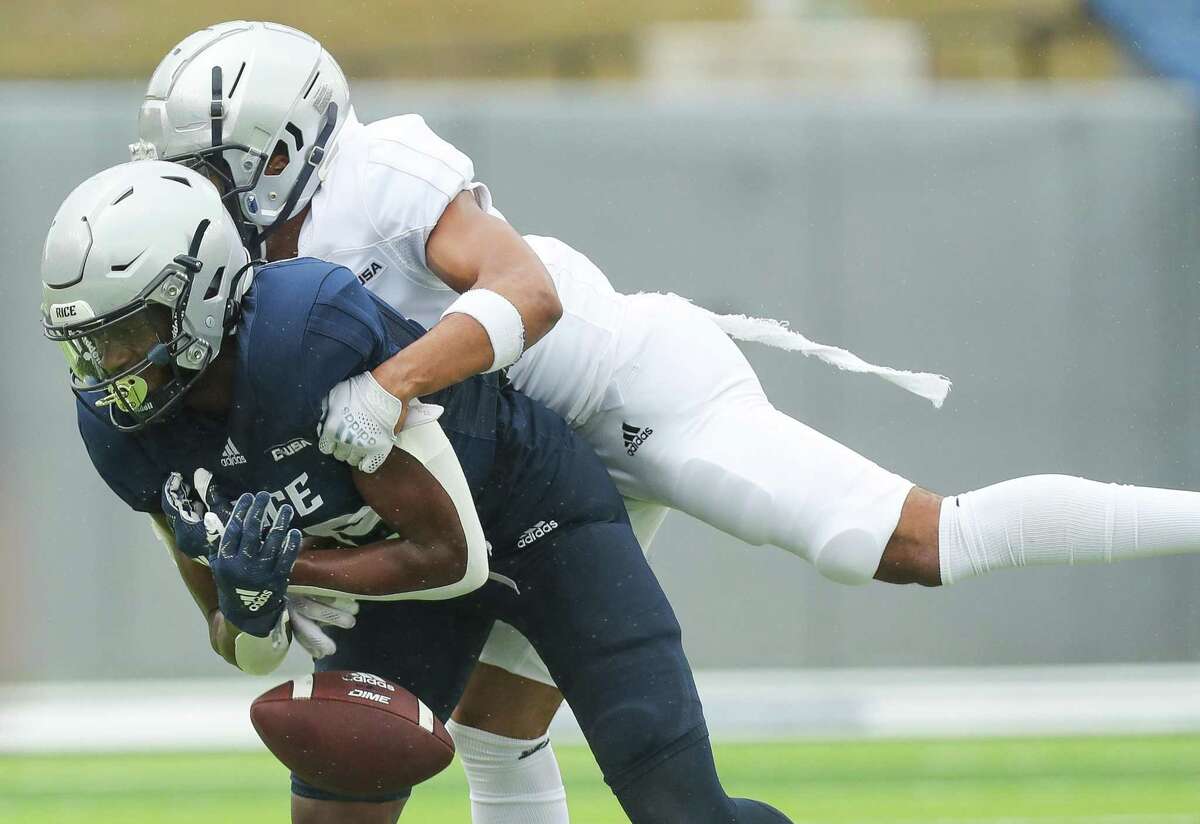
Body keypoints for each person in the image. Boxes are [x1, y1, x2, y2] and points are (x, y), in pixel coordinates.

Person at [137, 20, 1200, 824]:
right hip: (516, 470)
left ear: (296, 145)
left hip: (626, 393)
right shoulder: (220, 256)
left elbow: (527, 289)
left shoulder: (382, 173)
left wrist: (392, 383)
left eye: (230, 166)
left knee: (905, 542)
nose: (213, 192)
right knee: (494, 734)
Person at [41, 160, 792, 824]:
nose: (108, 368)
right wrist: (249, 600)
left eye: (127, 335)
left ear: (202, 294)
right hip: (389, 570)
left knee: (677, 804)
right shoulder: (122, 432)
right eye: (88, 344)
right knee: (335, 809)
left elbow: (453, 554)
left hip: (529, 518)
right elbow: (247, 649)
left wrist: (291, 569)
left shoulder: (303, 334)